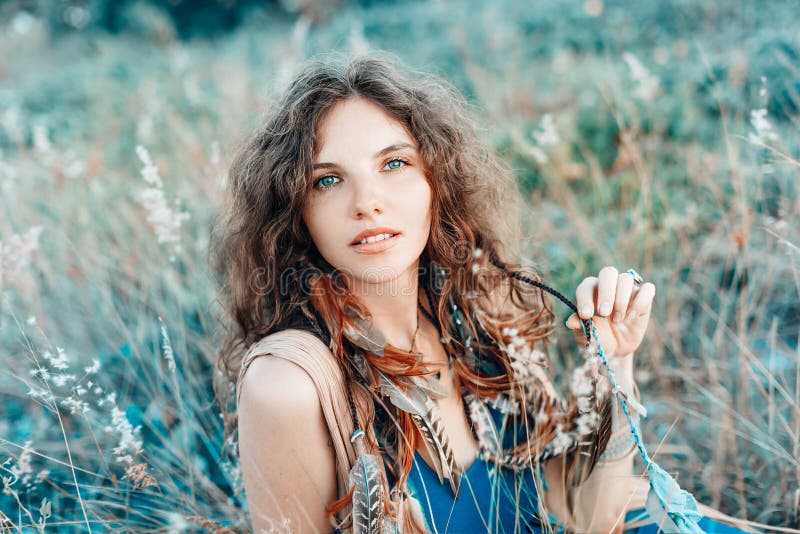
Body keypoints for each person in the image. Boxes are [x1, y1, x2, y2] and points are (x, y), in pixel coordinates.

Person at [211, 53, 753, 533]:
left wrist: (614, 363)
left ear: (435, 181)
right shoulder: (289, 383)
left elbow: (591, 517)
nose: (367, 202)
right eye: (326, 179)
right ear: (295, 210)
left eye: (395, 164)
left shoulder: (478, 315)